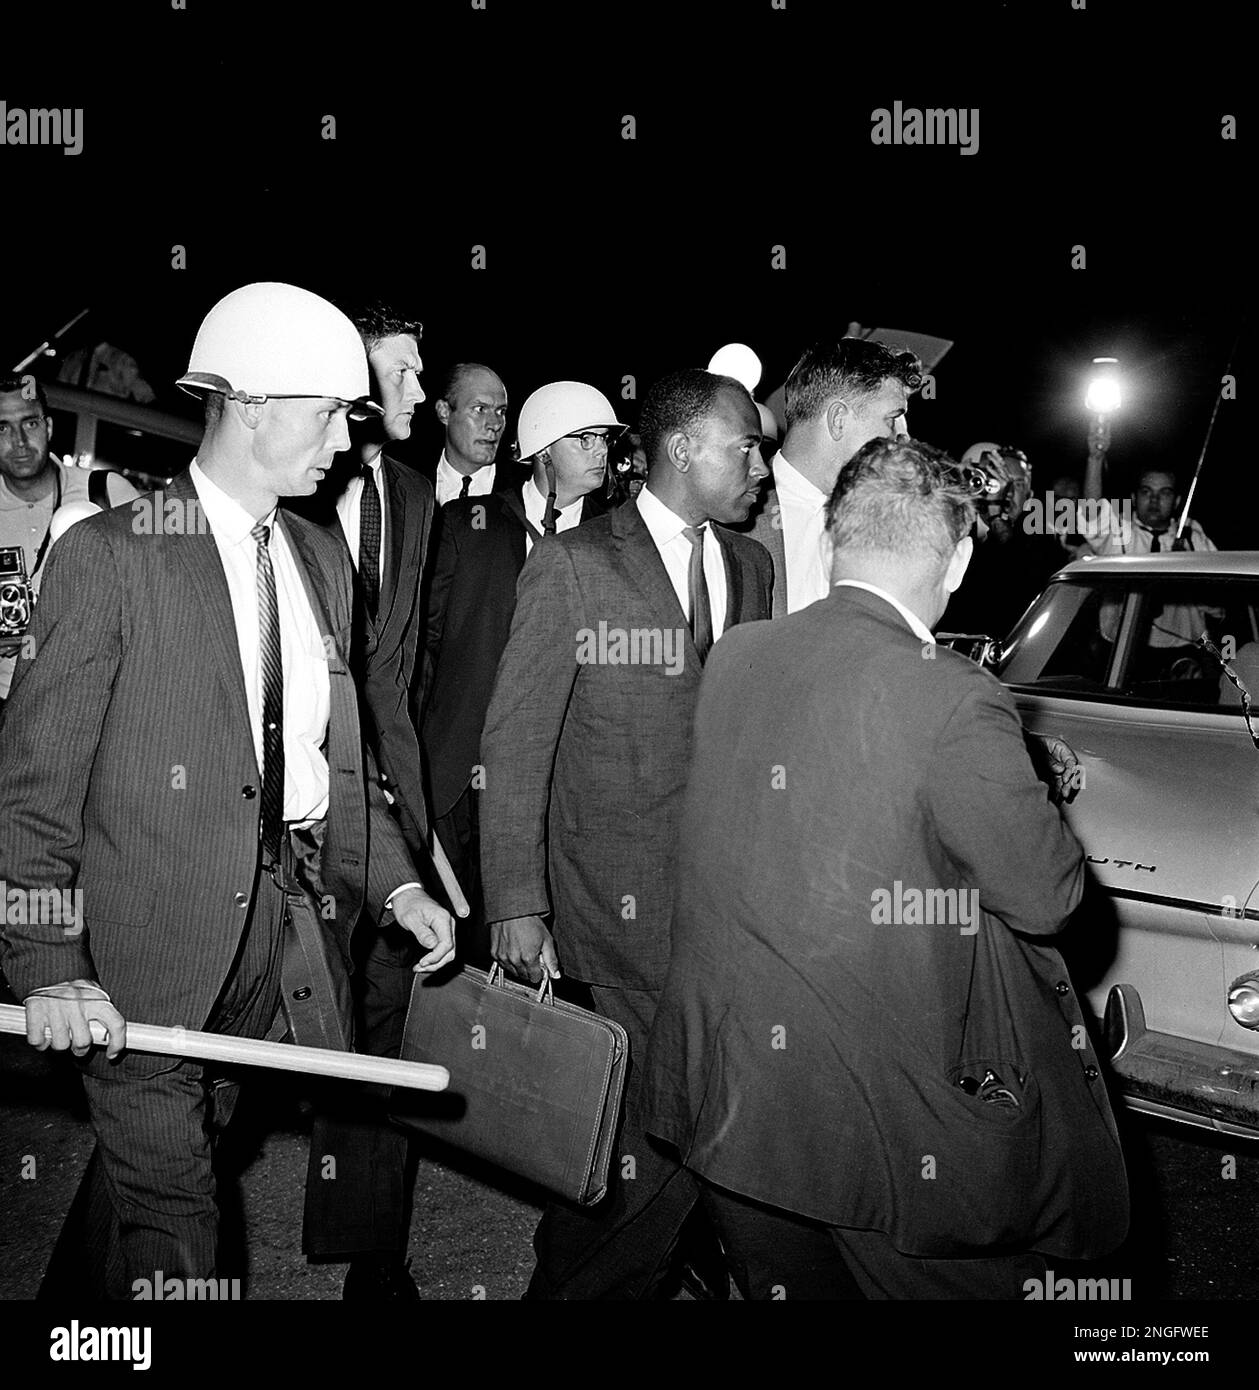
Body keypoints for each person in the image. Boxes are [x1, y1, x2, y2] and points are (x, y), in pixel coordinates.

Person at [0, 282, 455, 1296]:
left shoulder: (317, 558)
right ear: (250, 404)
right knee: (186, 1238)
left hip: (278, 945)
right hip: (140, 957)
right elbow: (32, 789)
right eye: (331, 410)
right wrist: (45, 966)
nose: (348, 435)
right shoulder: (112, 554)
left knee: (169, 1168)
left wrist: (397, 884)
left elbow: (333, 764)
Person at [642, 435, 1129, 1299]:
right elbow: (1048, 898)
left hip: (731, 1097)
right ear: (960, 557)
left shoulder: (738, 655)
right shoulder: (955, 694)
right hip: (880, 1131)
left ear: (831, 542)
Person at [479, 368, 773, 1299]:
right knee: (671, 1125)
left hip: (722, 910)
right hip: (612, 909)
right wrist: (516, 903)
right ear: (684, 448)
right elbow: (515, 741)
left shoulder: (750, 566)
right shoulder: (573, 564)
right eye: (745, 446)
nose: (759, 466)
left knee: (663, 1128)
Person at [291, 305, 446, 1300]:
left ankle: (369, 1257)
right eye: (399, 373)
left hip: (380, 813)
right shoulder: (284, 491)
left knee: (381, 1039)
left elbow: (388, 676)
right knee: (219, 1066)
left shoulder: (414, 496)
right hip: (285, 818)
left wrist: (415, 822)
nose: (417, 394)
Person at [421, 381, 619, 965]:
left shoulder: (620, 544)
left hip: (561, 785)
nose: (601, 450)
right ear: (541, 449)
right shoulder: (465, 523)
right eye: (584, 438)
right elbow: (420, 656)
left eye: (605, 439)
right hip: (455, 779)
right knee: (444, 960)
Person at [738, 337, 921, 616]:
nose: (903, 439)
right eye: (892, 419)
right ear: (838, 420)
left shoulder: (890, 520)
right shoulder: (733, 517)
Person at [0, 374, 140, 699]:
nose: (19, 441)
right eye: (2, 427)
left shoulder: (106, 492)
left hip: (86, 700)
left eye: (30, 423)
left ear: (48, 427)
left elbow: (156, 588)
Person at [940, 442, 1069, 638]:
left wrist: (996, 518)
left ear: (1029, 494)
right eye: (996, 480)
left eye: (1016, 483)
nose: (1006, 491)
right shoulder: (952, 531)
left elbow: (1013, 586)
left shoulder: (1043, 541)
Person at [432, 363, 509, 506]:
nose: (495, 424)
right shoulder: (406, 482)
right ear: (444, 412)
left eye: (501, 411)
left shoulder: (525, 489)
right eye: (480, 409)